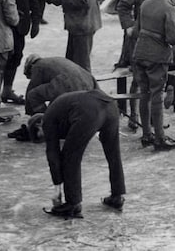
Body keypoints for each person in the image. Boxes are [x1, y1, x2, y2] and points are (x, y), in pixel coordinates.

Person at [41, 89, 127, 219]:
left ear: (37, 124)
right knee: (113, 152)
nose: (39, 137)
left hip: (90, 110)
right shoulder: (60, 110)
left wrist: (57, 189)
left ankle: (73, 204)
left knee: (70, 156)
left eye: (37, 134)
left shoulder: (47, 119)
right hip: (110, 105)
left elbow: (53, 155)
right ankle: (117, 196)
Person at [132, 0, 175, 150]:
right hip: (157, 57)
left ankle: (146, 134)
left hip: (139, 53)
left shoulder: (146, 3)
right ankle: (160, 138)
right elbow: (172, 38)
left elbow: (136, 30)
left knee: (144, 94)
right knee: (157, 95)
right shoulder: (169, 8)